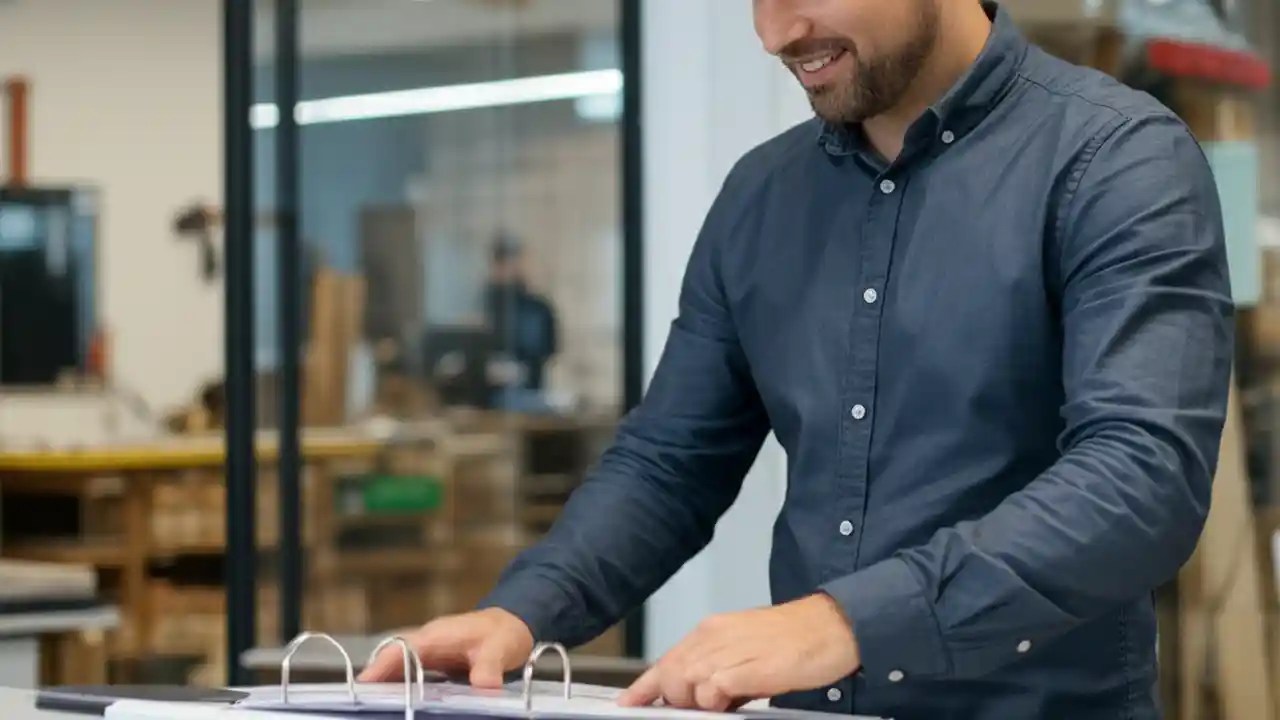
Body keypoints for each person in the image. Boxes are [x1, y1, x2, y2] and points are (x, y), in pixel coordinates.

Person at [362, 1, 1233, 717]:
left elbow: (1140, 478)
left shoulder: (1117, 160)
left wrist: (846, 623)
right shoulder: (760, 196)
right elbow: (671, 461)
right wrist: (521, 613)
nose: (776, 33)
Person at [482, 234, 559, 392]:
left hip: (528, 392)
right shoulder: (484, 305)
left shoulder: (538, 309)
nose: (506, 269)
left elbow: (549, 350)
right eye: (500, 263)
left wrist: (521, 370)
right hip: (486, 397)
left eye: (511, 261)